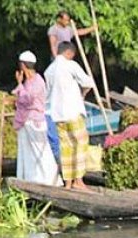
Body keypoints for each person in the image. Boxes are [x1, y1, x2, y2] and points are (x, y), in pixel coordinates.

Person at [44, 42, 94, 190]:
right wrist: (82, 94)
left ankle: (68, 182)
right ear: (69, 53)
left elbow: (47, 97)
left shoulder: (49, 70)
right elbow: (87, 82)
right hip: (72, 111)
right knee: (81, 142)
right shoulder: (70, 65)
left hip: (58, 115)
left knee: (65, 146)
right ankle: (78, 180)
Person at [11, 51, 60, 186]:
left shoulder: (37, 81)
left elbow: (27, 99)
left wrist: (19, 84)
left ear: (22, 65)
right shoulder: (29, 81)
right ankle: (30, 179)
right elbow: (21, 96)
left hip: (35, 121)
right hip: (27, 122)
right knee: (27, 152)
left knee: (41, 152)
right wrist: (20, 84)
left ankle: (49, 181)